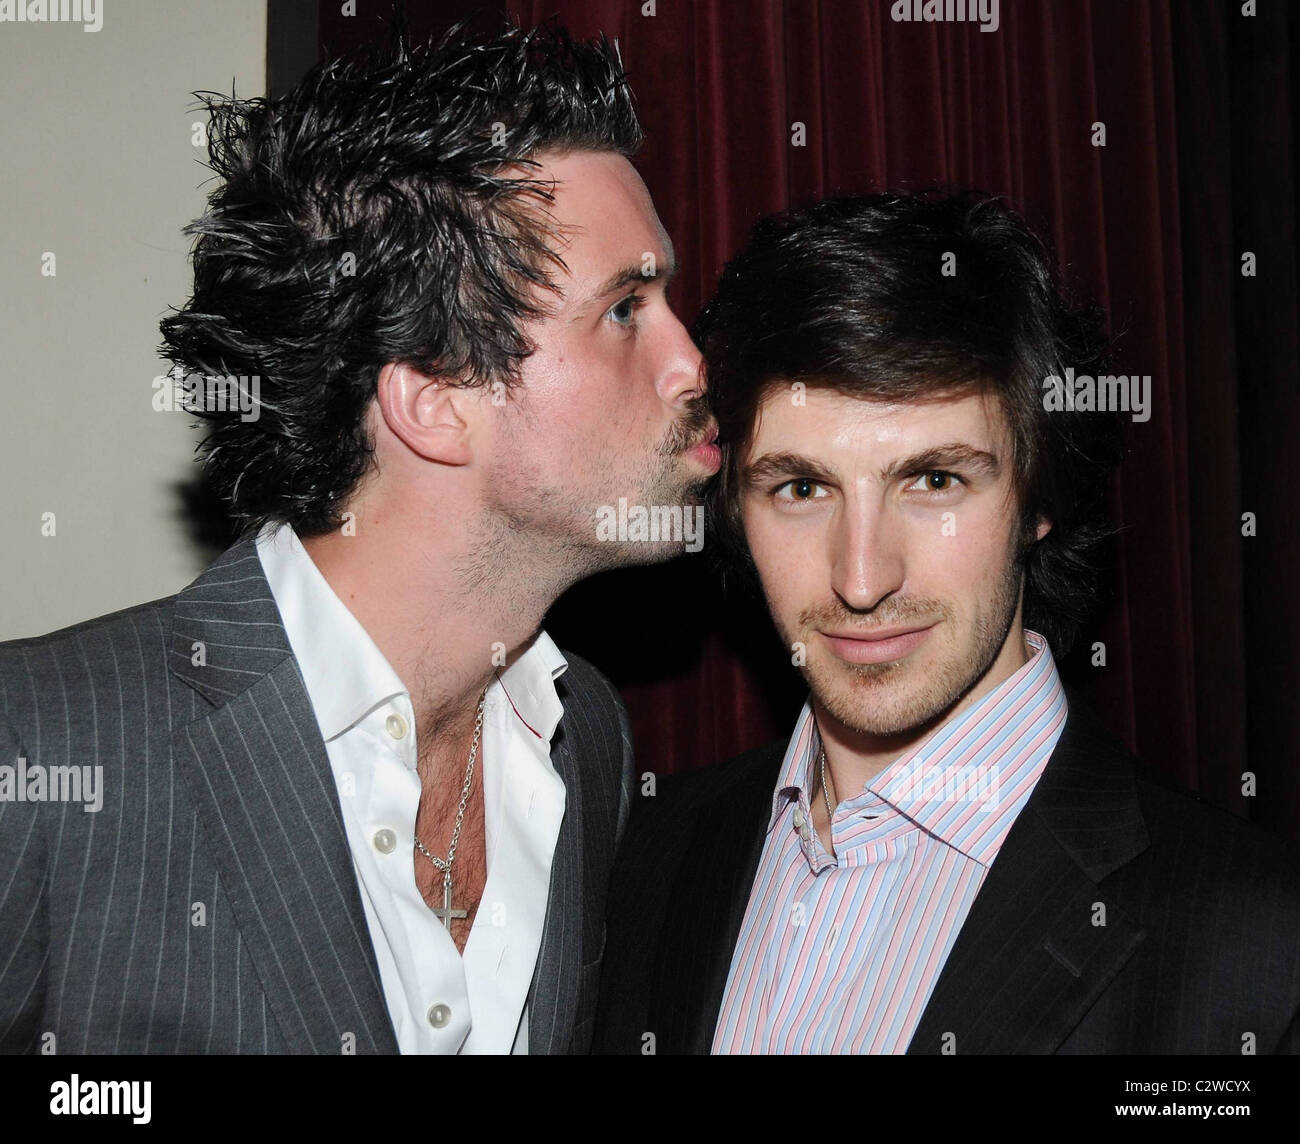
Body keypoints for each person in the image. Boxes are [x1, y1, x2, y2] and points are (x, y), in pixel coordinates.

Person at [0, 21, 718, 1055]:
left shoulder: (584, 739)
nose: (690, 360)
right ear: (432, 401)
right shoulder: (48, 749)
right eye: (624, 310)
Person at [593, 191, 1300, 1055]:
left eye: (932, 481)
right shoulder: (640, 861)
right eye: (802, 488)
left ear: (1039, 495)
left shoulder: (1257, 944)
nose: (861, 579)